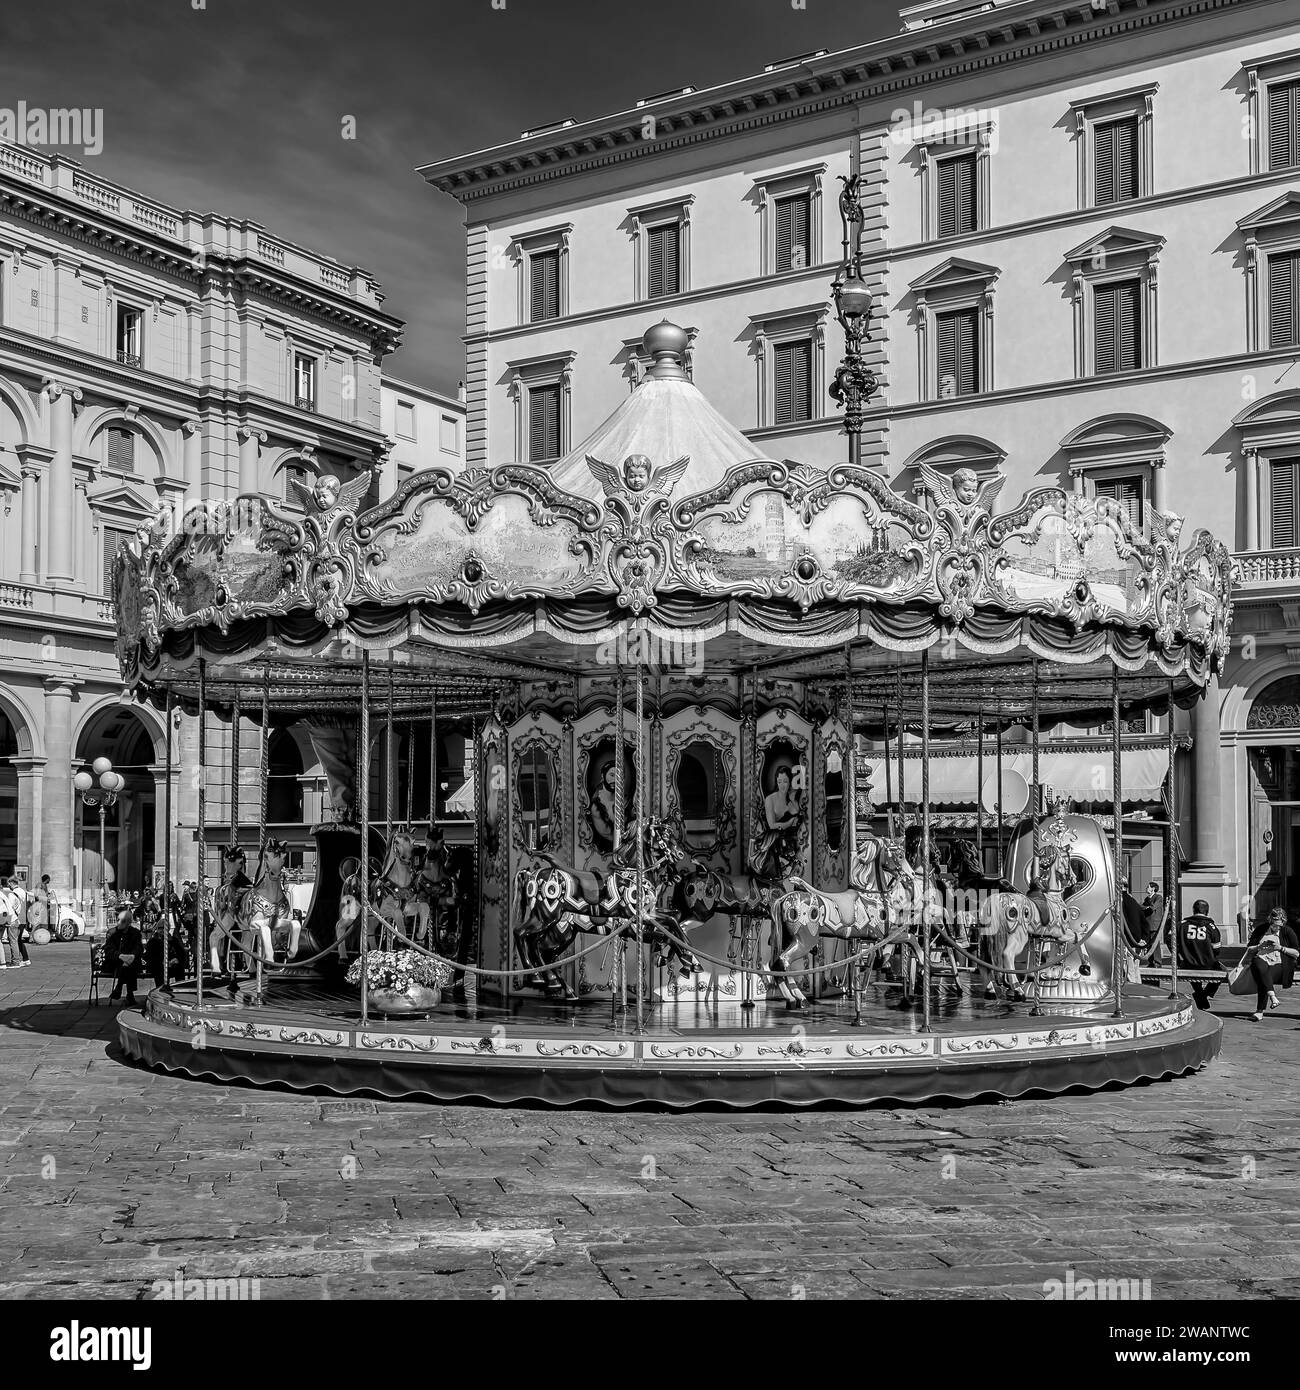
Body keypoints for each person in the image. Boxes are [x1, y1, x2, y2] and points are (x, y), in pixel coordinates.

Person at [1166, 898, 1223, 1009]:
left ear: (1193, 910)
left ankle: (1199, 992)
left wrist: (1177, 953)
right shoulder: (1212, 927)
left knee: (1190, 967)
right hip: (1208, 964)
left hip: (1186, 962)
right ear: (1207, 911)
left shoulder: (1181, 924)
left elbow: (1169, 938)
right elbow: (1217, 949)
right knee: (1222, 973)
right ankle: (1203, 994)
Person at [1246, 907, 1299, 1022]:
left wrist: (1280, 948)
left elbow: (1296, 953)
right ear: (1270, 921)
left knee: (1263, 975)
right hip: (1262, 962)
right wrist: (1259, 947)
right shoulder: (1261, 929)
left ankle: (1260, 1011)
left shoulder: (1287, 931)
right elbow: (1249, 949)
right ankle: (1273, 997)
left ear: (1283, 923)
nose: (1276, 928)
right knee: (1258, 962)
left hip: (1280, 965)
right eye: (1274, 925)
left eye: (1279, 926)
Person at [104, 907, 144, 1005]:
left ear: (128, 922)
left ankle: (119, 987)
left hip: (132, 961)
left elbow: (138, 948)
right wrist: (120, 956)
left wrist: (133, 956)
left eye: (122, 921)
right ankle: (129, 995)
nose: (119, 923)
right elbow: (109, 950)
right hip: (115, 963)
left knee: (128, 966)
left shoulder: (135, 933)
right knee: (125, 966)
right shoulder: (113, 933)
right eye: (118, 920)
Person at [0, 876, 31, 969]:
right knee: (18, 940)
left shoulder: (12, 894)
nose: (8, 885)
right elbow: (29, 902)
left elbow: (9, 907)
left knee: (14, 941)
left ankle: (16, 961)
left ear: (11, 883)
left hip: (14, 919)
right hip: (22, 918)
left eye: (9, 883)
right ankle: (25, 959)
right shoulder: (23, 892)